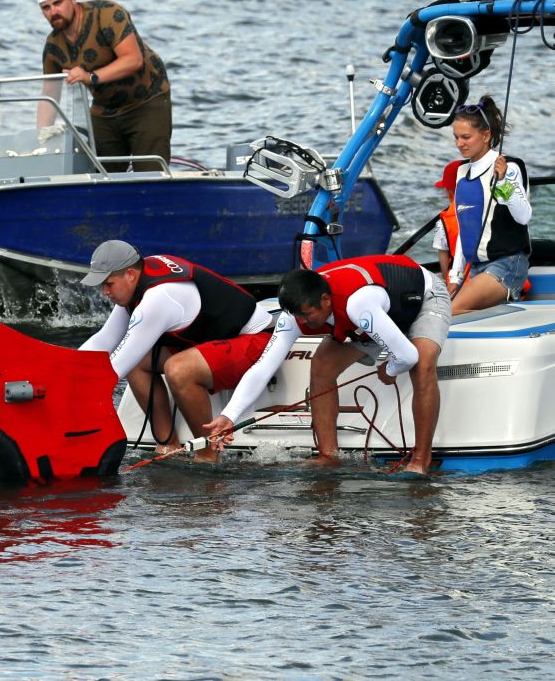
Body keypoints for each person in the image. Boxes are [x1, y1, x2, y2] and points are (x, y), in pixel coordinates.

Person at [202, 254, 451, 475]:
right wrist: (229, 416)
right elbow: (263, 368)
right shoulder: (294, 316)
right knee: (321, 364)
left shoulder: (357, 304)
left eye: (307, 315)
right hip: (373, 320)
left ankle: (421, 459)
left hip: (420, 299)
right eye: (298, 316)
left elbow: (407, 356)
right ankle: (328, 456)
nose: (303, 322)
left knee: (423, 364)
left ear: (325, 300)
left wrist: (390, 368)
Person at [79, 239, 274, 463]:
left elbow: (115, 368)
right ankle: (167, 445)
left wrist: (72, 394)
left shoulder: (158, 298)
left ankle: (207, 454)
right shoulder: (137, 282)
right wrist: (64, 370)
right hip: (218, 339)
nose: (104, 292)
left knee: (178, 369)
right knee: (139, 361)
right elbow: (103, 340)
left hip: (257, 341)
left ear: (130, 275)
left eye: (108, 284)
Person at [35, 0, 171, 171]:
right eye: (46, 8)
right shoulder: (53, 46)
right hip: (105, 109)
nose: (53, 11)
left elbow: (133, 59)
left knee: (149, 172)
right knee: (101, 174)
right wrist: (40, 138)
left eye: (58, 3)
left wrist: (90, 77)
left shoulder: (107, 14)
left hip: (146, 100)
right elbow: (49, 94)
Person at [445, 96, 532, 314]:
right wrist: (455, 277)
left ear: (485, 135)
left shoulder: (509, 167)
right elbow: (465, 229)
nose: (459, 144)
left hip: (507, 264)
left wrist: (502, 182)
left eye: (466, 137)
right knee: (435, 311)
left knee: (450, 312)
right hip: (476, 269)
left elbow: (524, 217)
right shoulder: (461, 172)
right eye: (456, 137)